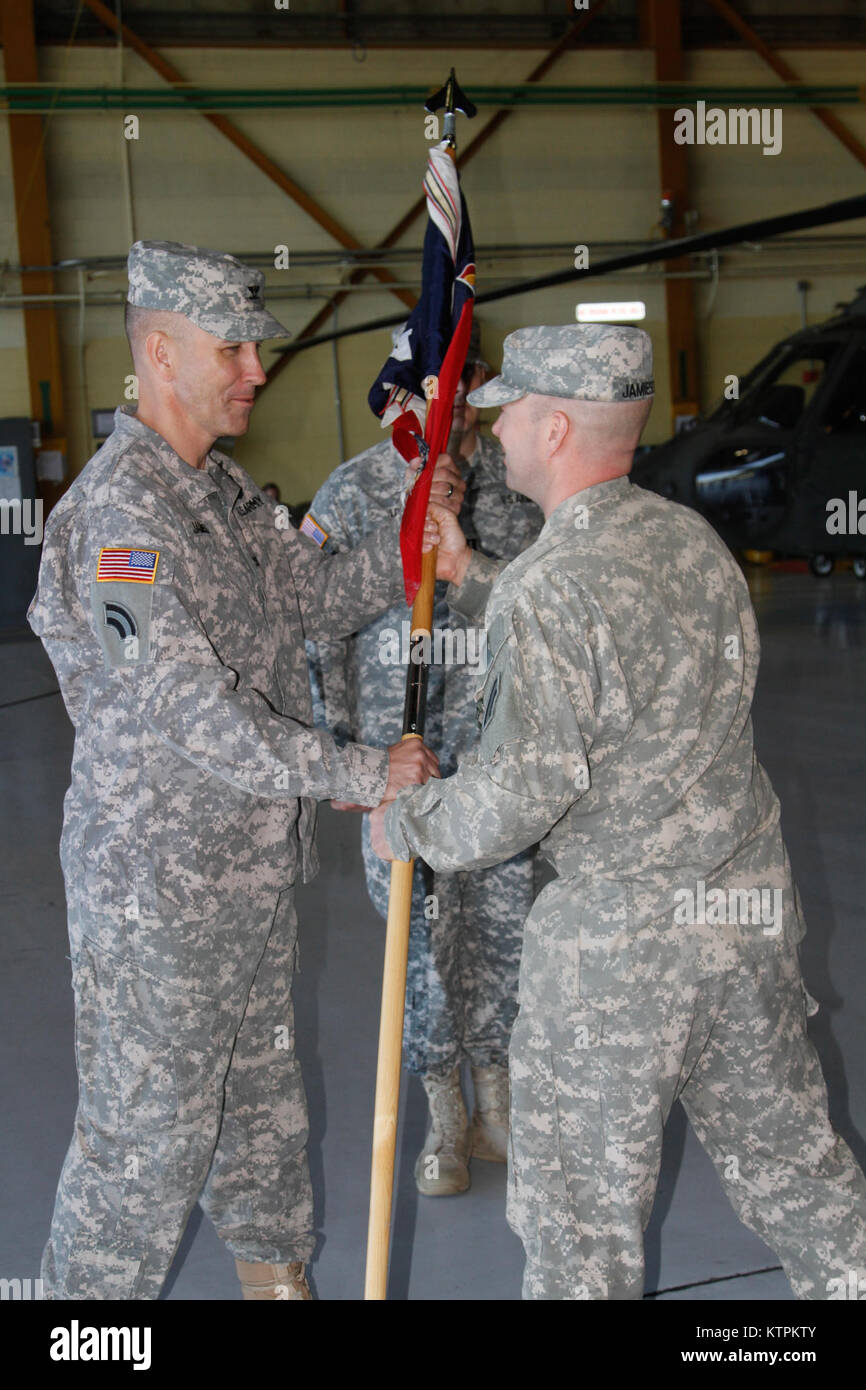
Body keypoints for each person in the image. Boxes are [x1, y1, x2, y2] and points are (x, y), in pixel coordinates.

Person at [371, 323, 866, 1298]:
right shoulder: (687, 539)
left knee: (575, 1231)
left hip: (620, 954)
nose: (492, 424)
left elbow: (519, 793)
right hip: (740, 923)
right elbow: (613, 636)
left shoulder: (552, 586)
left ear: (553, 428)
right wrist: (471, 574)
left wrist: (406, 821)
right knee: (802, 1181)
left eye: (508, 407)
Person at [27, 239, 452, 1301]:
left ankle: (277, 1286)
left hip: (251, 878)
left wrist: (410, 548)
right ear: (161, 353)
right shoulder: (122, 519)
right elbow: (189, 714)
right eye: (235, 346)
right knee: (145, 1143)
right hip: (159, 894)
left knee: (263, 1111)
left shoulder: (217, 491)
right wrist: (360, 772)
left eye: (256, 345)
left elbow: (309, 599)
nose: (258, 367)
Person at [306, 326, 543, 1195]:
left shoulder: (515, 493)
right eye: (444, 383)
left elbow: (543, 613)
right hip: (400, 760)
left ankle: (497, 1100)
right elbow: (312, 625)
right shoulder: (357, 488)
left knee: (505, 929)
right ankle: (441, 1120)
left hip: (500, 759)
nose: (460, 402)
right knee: (421, 940)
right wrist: (341, 751)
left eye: (470, 382)